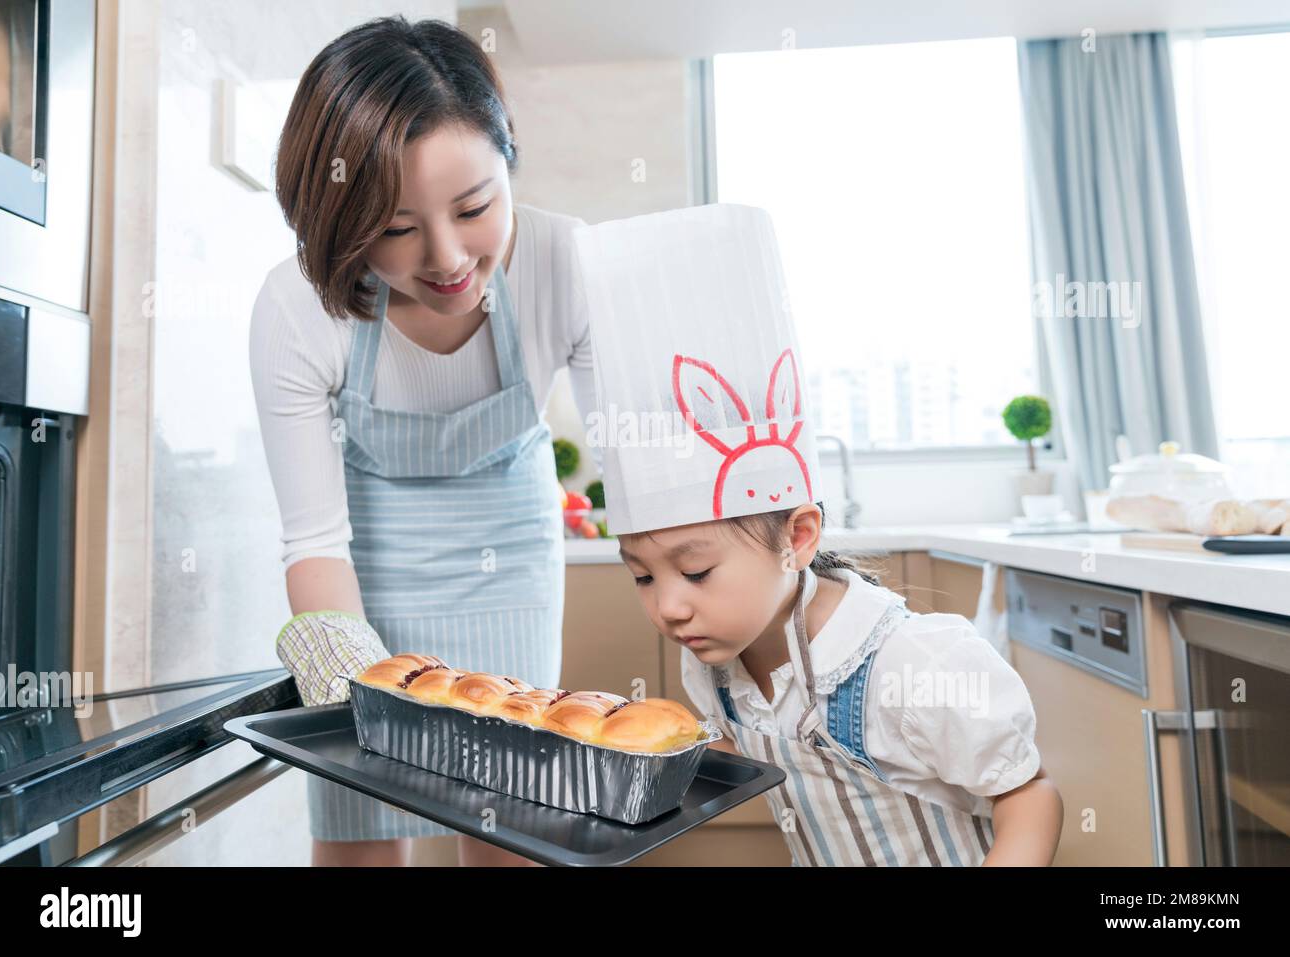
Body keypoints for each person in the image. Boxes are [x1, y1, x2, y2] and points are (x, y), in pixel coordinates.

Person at [574, 204, 1064, 865]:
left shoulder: (910, 665)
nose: (669, 605)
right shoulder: (715, 659)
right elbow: (754, 748)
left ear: (797, 535)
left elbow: (1029, 794)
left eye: (694, 571)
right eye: (642, 573)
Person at [250, 15, 597, 867]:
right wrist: (355, 698)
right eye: (397, 228)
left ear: (509, 164)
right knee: (365, 827)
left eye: (475, 208)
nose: (447, 258)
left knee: (515, 822)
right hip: (364, 566)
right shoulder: (296, 307)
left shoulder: (566, 263)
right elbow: (314, 541)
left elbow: (645, 472)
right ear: (339, 215)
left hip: (507, 551)